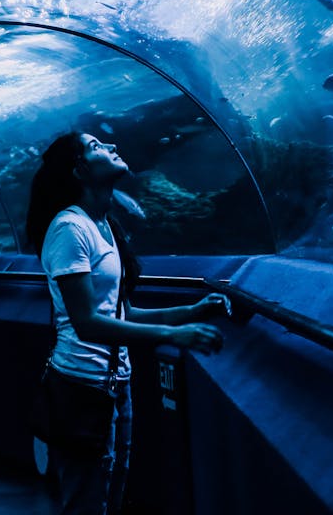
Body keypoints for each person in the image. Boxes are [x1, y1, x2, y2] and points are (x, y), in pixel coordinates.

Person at [27, 132, 230, 515]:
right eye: (97, 147)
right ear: (80, 169)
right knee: (87, 504)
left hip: (117, 386)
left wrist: (192, 311)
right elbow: (87, 324)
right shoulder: (70, 229)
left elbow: (123, 314)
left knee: (111, 495)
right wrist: (172, 335)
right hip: (81, 388)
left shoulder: (104, 227)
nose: (113, 148)